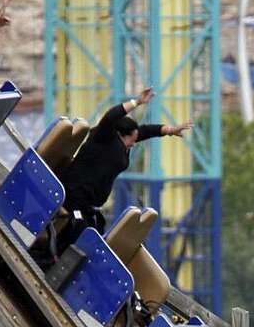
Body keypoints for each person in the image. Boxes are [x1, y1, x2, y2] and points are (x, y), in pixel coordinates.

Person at [51, 88, 191, 255]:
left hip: (88, 203)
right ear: (119, 134)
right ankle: (55, 263)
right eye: (131, 140)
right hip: (75, 196)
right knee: (78, 235)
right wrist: (137, 102)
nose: (133, 144)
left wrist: (169, 131)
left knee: (97, 230)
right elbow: (111, 116)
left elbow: (145, 131)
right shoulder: (103, 137)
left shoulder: (123, 141)